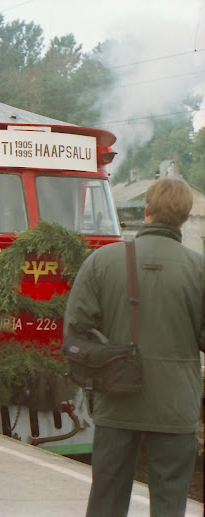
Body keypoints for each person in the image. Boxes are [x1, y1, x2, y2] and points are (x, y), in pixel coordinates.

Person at [64, 177, 204, 517]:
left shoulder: (101, 261)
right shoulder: (199, 268)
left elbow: (76, 330)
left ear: (146, 211)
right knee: (169, 502)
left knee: (107, 501)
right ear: (186, 218)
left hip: (116, 398)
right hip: (176, 406)